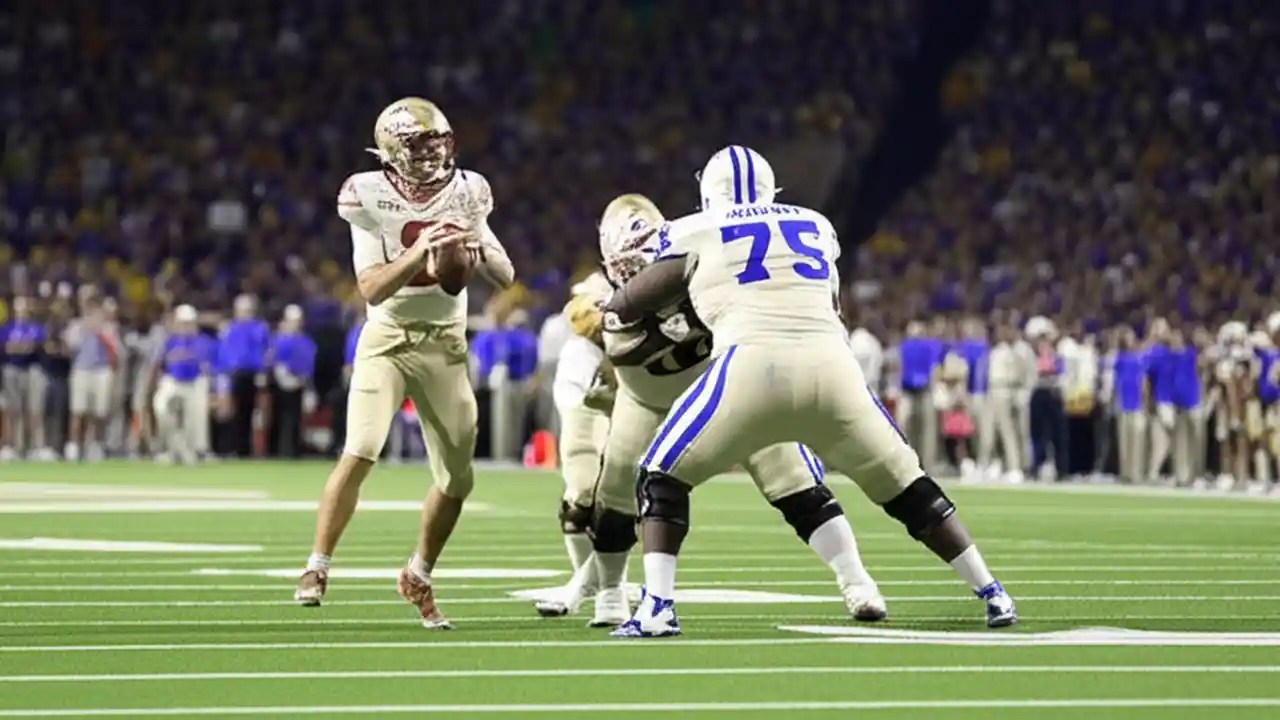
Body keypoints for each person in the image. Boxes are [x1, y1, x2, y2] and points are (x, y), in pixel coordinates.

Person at [601, 148, 1014, 638]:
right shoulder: (816, 223)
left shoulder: (695, 228)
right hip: (834, 370)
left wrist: (619, 299)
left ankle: (657, 608)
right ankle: (991, 590)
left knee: (660, 475)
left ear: (709, 190)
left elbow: (634, 300)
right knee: (907, 484)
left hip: (752, 368)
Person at [547, 192, 889, 629]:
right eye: (629, 262)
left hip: (723, 391)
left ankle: (856, 579)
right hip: (646, 401)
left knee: (794, 478)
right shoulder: (599, 298)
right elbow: (591, 321)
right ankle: (610, 594)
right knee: (615, 489)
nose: (641, 271)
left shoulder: (701, 261)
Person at [293, 97, 514, 630]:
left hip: (445, 346)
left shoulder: (469, 190)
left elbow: (506, 276)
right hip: (388, 338)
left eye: (438, 141)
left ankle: (419, 572)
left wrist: (473, 250)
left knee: (458, 478)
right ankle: (317, 565)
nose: (433, 153)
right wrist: (420, 253)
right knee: (362, 448)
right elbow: (369, 285)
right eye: (419, 145)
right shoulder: (366, 193)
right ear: (392, 151)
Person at [542, 272, 614, 609]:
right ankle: (588, 584)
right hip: (586, 407)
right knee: (579, 503)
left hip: (637, 411)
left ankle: (590, 586)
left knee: (620, 508)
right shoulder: (581, 346)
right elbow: (583, 316)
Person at [150, 305, 215, 465]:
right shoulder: (169, 341)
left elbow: (207, 367)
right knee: (161, 408)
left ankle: (196, 451)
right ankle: (171, 449)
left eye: (189, 323)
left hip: (194, 383)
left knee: (194, 420)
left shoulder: (202, 342)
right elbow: (160, 364)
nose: (186, 327)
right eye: (183, 323)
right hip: (172, 381)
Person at [65, 293, 118, 461]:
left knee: (99, 412)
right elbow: (68, 347)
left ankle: (94, 445)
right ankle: (73, 446)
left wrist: (101, 331)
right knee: (78, 411)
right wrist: (84, 330)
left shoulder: (107, 328)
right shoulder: (76, 326)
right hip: (82, 370)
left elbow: (115, 349)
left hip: (101, 371)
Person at [215, 295, 270, 457]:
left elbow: (264, 352)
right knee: (227, 414)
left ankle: (243, 450)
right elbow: (223, 353)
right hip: (231, 375)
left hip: (250, 375)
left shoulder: (259, 329)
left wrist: (263, 372)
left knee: (247, 413)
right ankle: (226, 448)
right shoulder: (229, 329)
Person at [0, 297, 48, 460]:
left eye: (25, 308)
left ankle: (37, 446)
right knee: (15, 410)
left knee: (35, 410)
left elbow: (36, 346)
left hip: (32, 370)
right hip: (12, 369)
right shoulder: (7, 328)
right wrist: (22, 347)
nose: (22, 311)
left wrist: (18, 347)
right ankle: (15, 446)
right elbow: (6, 348)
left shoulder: (35, 328)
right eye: (19, 308)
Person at [269, 305, 317, 459]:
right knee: (282, 418)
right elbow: (277, 363)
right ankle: (281, 450)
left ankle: (293, 450)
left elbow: (309, 362)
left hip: (301, 383)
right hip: (283, 383)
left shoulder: (305, 341)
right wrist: (288, 380)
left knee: (296, 418)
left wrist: (304, 380)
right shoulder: (280, 340)